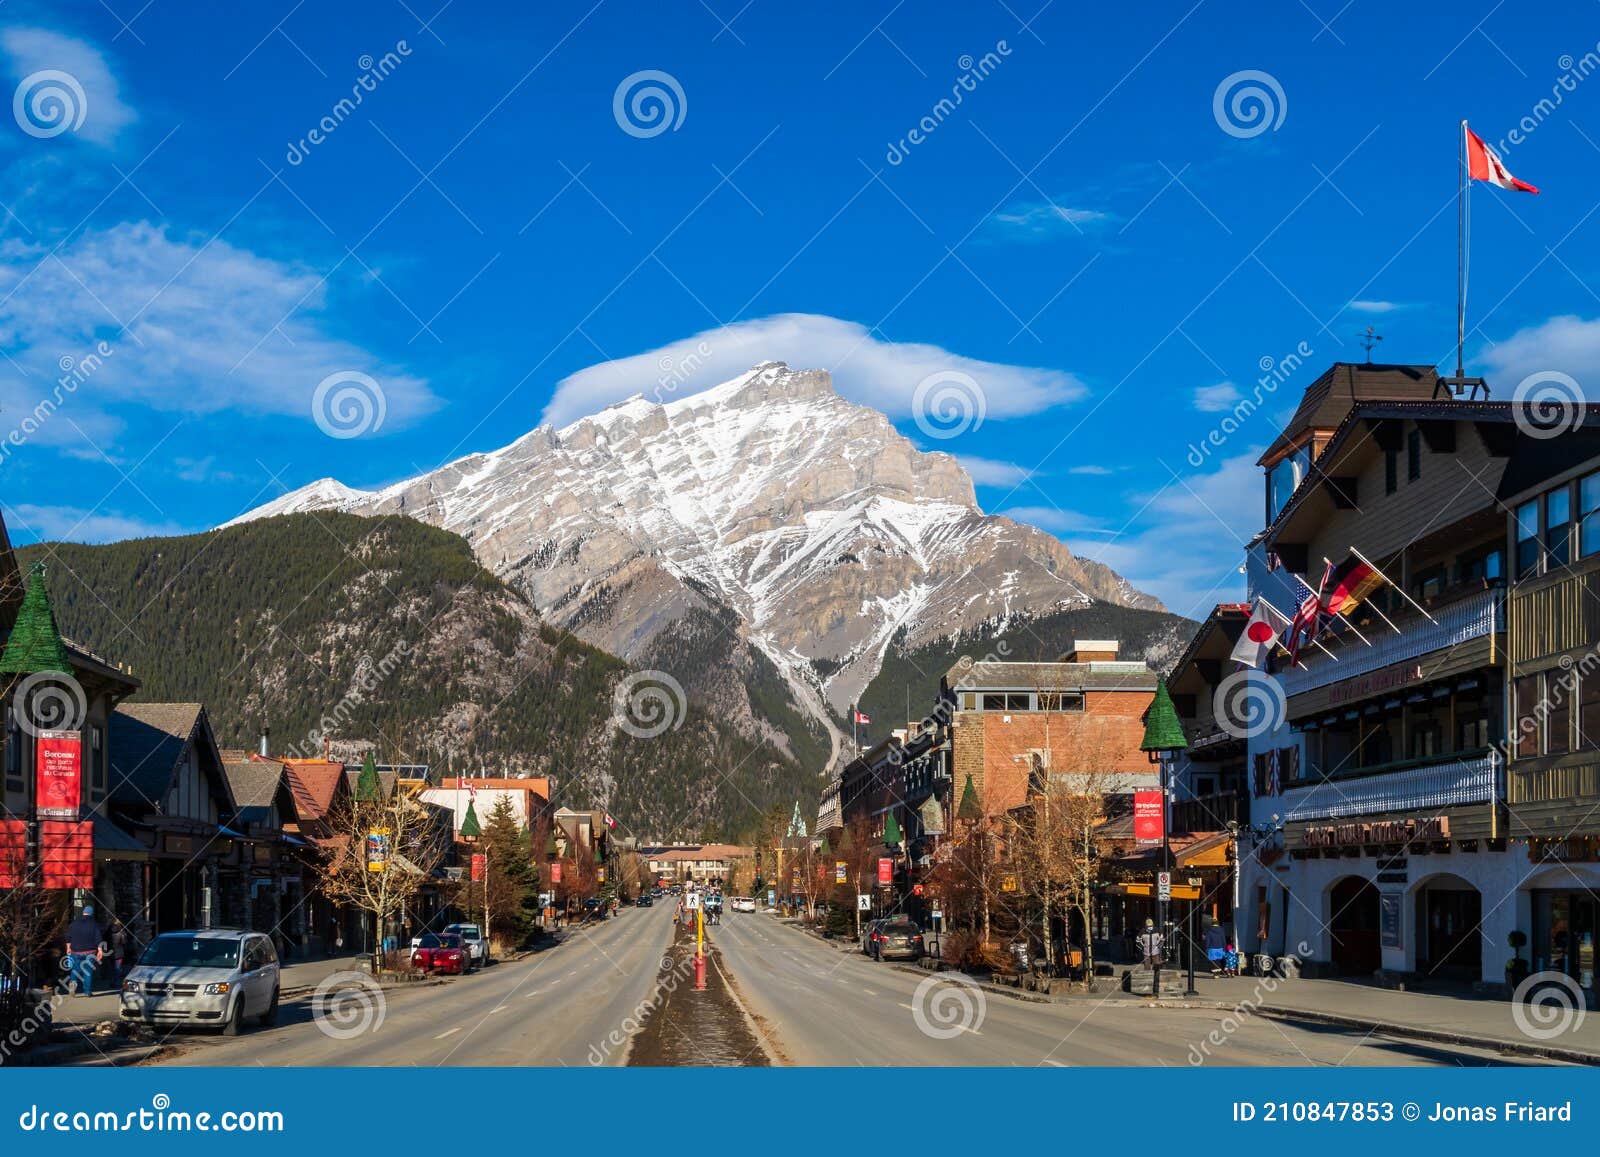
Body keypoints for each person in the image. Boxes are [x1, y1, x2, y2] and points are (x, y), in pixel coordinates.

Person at [63, 906, 103, 996]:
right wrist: (100, 950)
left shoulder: (74, 923)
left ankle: (73, 985)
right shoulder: (94, 924)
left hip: (76, 951)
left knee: (75, 969)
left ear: (83, 913)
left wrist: (68, 947)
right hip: (90, 951)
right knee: (88, 971)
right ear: (91, 914)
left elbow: (68, 937)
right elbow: (98, 938)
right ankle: (87, 991)